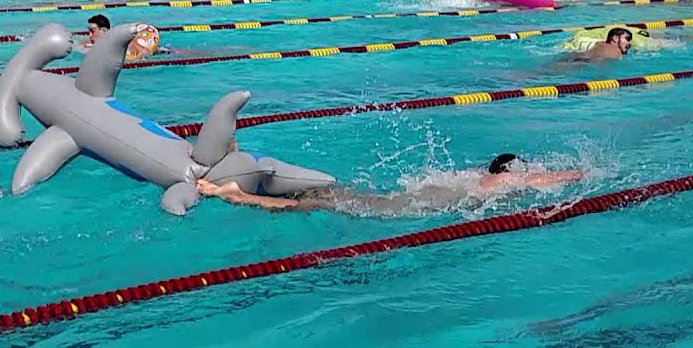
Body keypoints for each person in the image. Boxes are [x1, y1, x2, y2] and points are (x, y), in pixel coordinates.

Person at [196, 152, 583, 215]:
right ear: (511, 170)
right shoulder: (508, 182)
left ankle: (249, 186)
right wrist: (580, 171)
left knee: (330, 195)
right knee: (317, 205)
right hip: (400, 209)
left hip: (401, 196)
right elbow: (561, 177)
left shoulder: (472, 176)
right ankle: (239, 195)